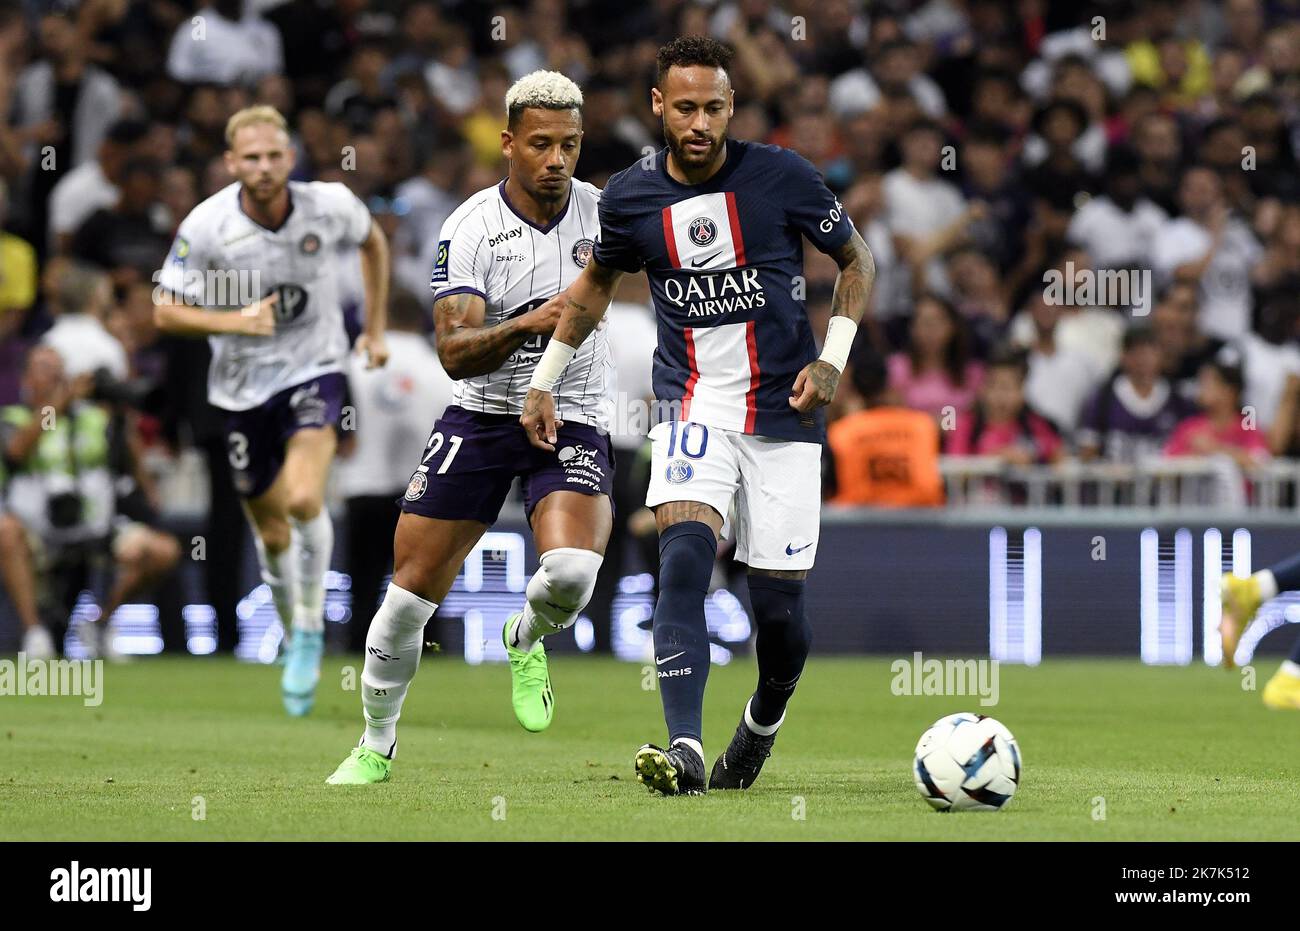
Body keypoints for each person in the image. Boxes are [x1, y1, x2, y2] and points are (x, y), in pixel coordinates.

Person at [522, 37, 876, 795]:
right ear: (658, 105)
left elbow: (857, 260)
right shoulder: (630, 196)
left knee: (778, 614)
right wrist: (545, 378)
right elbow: (592, 287)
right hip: (690, 406)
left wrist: (831, 359)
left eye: (714, 107)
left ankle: (763, 721)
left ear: (731, 108)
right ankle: (683, 747)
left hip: (784, 411)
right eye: (685, 107)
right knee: (681, 559)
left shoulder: (783, 176)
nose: (700, 122)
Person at [325, 71, 614, 786]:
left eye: (570, 146)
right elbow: (454, 352)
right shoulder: (471, 227)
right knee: (405, 599)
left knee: (572, 573)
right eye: (541, 144)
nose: (556, 159)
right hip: (482, 416)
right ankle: (376, 742)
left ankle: (525, 635)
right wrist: (532, 323)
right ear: (508, 143)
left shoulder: (609, 215)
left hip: (570, 413)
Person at [154, 105, 390, 716]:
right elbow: (164, 309)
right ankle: (296, 630)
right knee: (272, 529)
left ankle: (311, 626)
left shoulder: (327, 205)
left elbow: (374, 242)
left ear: (291, 157)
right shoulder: (206, 226)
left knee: (305, 499)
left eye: (273, 155)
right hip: (241, 390)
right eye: (250, 158)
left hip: (316, 369)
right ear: (231, 163)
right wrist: (233, 321)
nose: (263, 167)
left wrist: (376, 327)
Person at [0, 346, 179, 658]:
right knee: (4, 531)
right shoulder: (15, 417)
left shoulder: (94, 418)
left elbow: (125, 458)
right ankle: (35, 633)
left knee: (162, 551)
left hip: (95, 527)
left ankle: (100, 623)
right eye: (43, 368)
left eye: (58, 369)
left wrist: (121, 407)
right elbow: (16, 451)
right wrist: (59, 402)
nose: (53, 376)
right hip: (37, 530)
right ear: (26, 377)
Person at [336, 289, 451, 651]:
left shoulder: (353, 363)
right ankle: (428, 655)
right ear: (420, 320)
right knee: (422, 590)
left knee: (364, 585)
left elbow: (336, 425)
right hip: (422, 493)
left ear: (381, 316)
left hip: (363, 487)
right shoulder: (438, 366)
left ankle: (359, 652)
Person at [827, 350, 943, 508]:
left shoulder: (841, 431)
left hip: (858, 524)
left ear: (854, 390)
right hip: (919, 520)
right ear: (887, 385)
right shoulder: (923, 425)